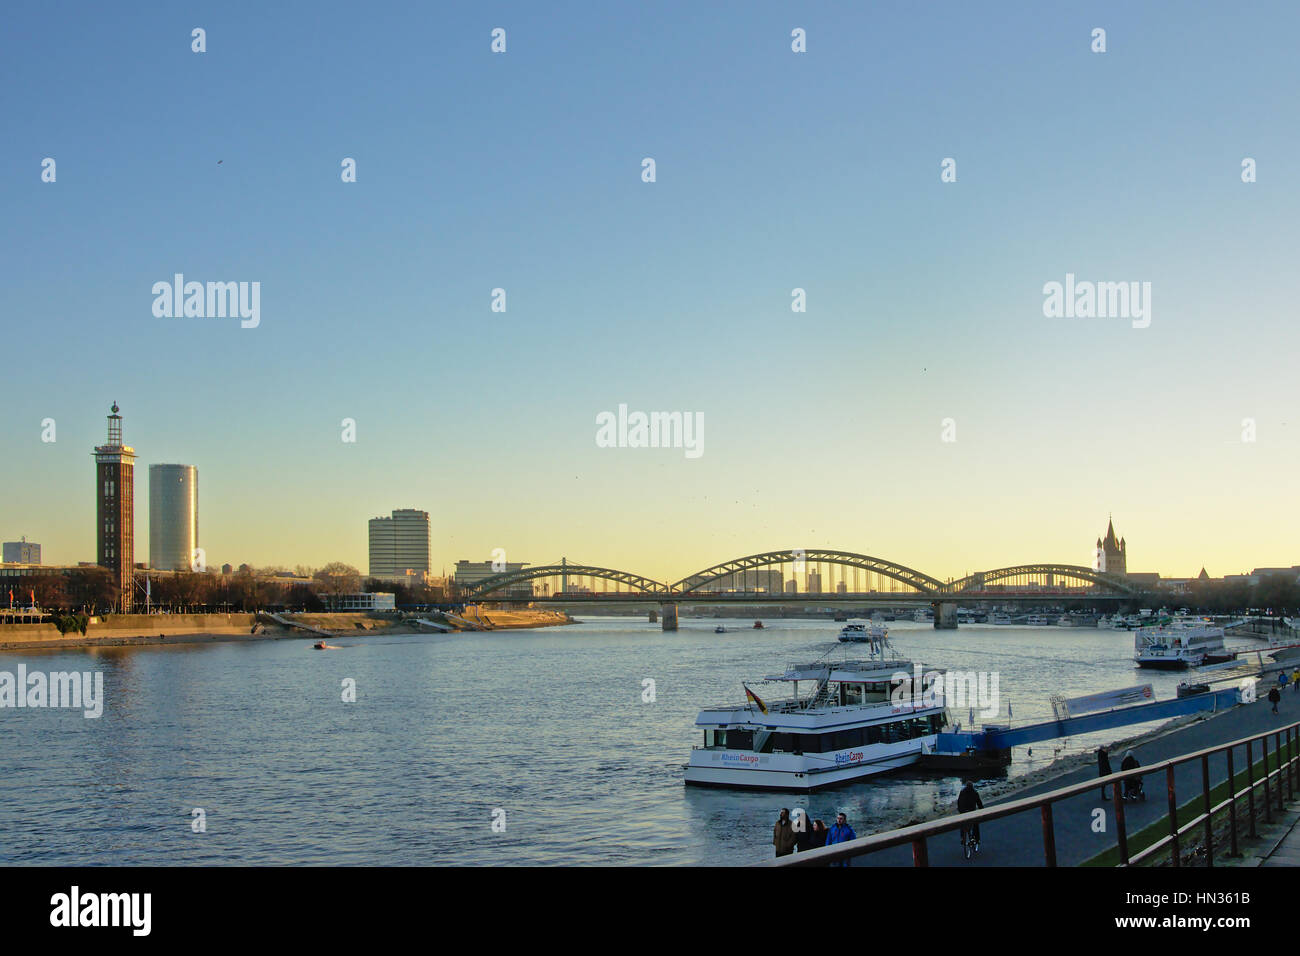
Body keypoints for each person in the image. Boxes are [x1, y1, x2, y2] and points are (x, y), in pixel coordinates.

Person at [957, 780, 983, 847]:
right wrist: (982, 811)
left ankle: (963, 837)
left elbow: (959, 802)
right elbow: (979, 803)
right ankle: (977, 839)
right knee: (975, 824)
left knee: (963, 824)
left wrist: (960, 811)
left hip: (963, 811)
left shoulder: (962, 792)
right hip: (972, 812)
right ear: (972, 786)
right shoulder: (975, 792)